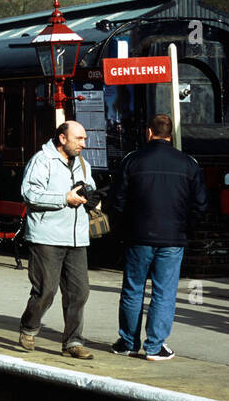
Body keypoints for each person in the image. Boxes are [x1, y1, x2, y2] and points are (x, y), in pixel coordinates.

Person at [108, 114, 208, 361]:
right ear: (170, 135)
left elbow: (116, 201)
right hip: (173, 238)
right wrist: (185, 228)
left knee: (133, 290)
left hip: (138, 236)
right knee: (164, 292)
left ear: (149, 132)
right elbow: (201, 204)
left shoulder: (132, 161)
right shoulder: (188, 163)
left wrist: (125, 228)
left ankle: (129, 342)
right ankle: (155, 346)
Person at [18, 120, 95, 359]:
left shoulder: (83, 163)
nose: (84, 143)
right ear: (63, 139)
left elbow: (90, 185)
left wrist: (89, 194)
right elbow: (29, 193)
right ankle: (29, 326)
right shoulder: (42, 160)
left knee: (79, 292)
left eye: (84, 138)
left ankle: (73, 341)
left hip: (76, 238)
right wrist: (65, 198)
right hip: (46, 236)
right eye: (79, 139)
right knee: (46, 290)